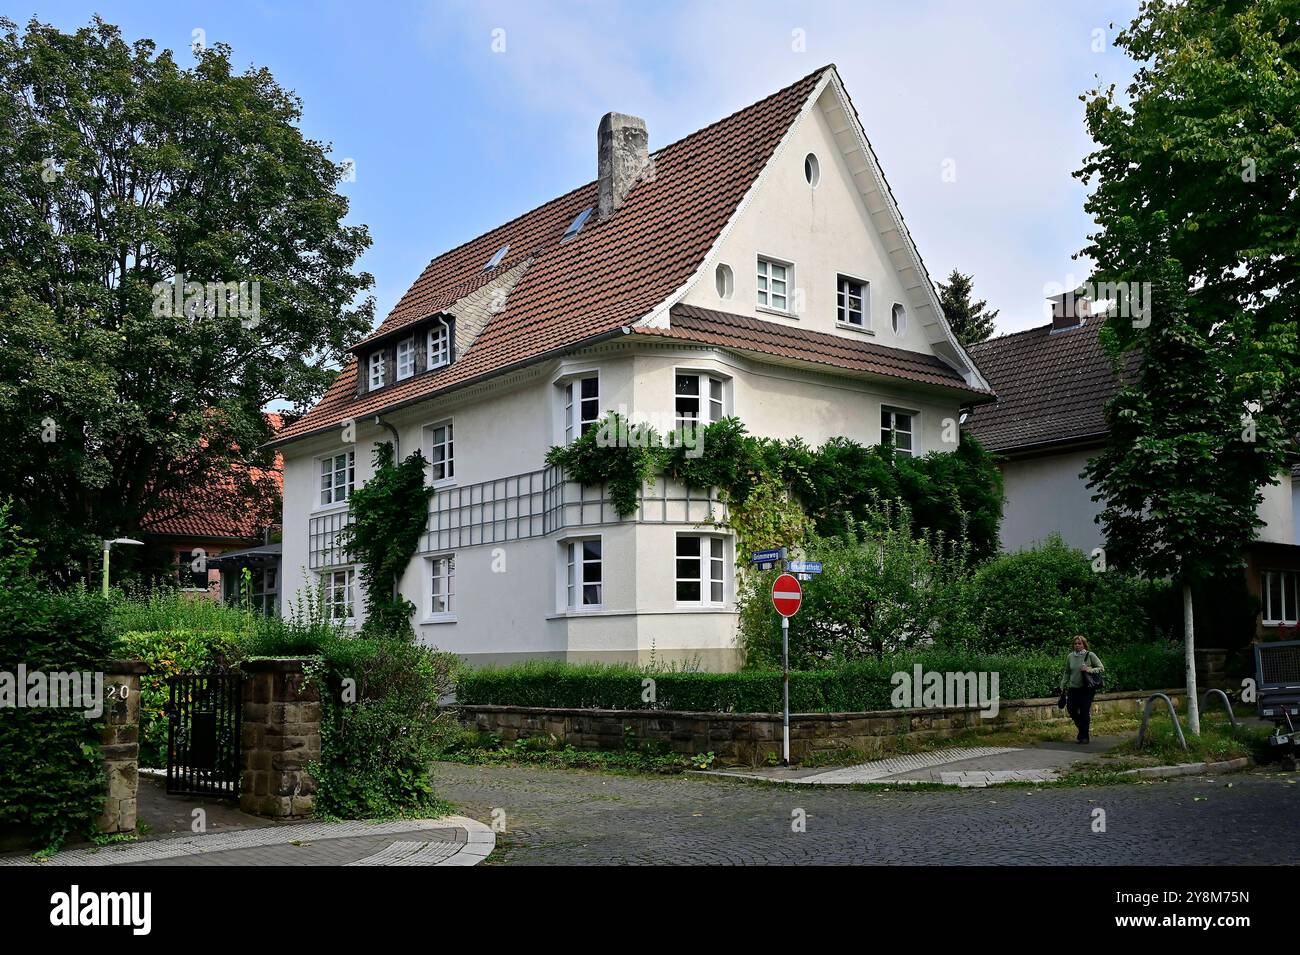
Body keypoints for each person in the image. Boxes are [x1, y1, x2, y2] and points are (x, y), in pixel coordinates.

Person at [1061, 635, 1104, 744]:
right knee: (1071, 709)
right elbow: (1067, 672)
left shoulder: (1090, 655)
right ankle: (1082, 729)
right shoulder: (1070, 656)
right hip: (1073, 688)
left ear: (1084, 644)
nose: (1077, 645)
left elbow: (1101, 668)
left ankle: (1084, 737)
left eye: (1079, 643)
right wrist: (1063, 684)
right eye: (1075, 644)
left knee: (1084, 712)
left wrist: (1089, 669)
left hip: (1086, 689)